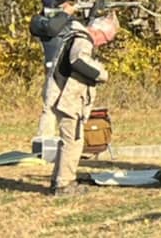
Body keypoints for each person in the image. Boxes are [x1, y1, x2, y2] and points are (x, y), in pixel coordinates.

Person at [48, 10, 119, 196]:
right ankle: (64, 185)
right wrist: (101, 74)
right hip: (67, 98)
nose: (104, 43)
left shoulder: (76, 36)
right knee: (73, 141)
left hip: (64, 95)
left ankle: (59, 180)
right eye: (106, 38)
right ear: (97, 30)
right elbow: (78, 61)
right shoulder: (83, 39)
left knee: (69, 140)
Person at [30, 0, 78, 139]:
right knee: (50, 107)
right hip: (54, 71)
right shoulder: (39, 21)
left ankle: (73, 143)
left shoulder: (66, 20)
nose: (66, 6)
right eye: (62, 4)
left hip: (72, 69)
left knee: (73, 108)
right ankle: (44, 143)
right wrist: (65, 14)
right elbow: (52, 29)